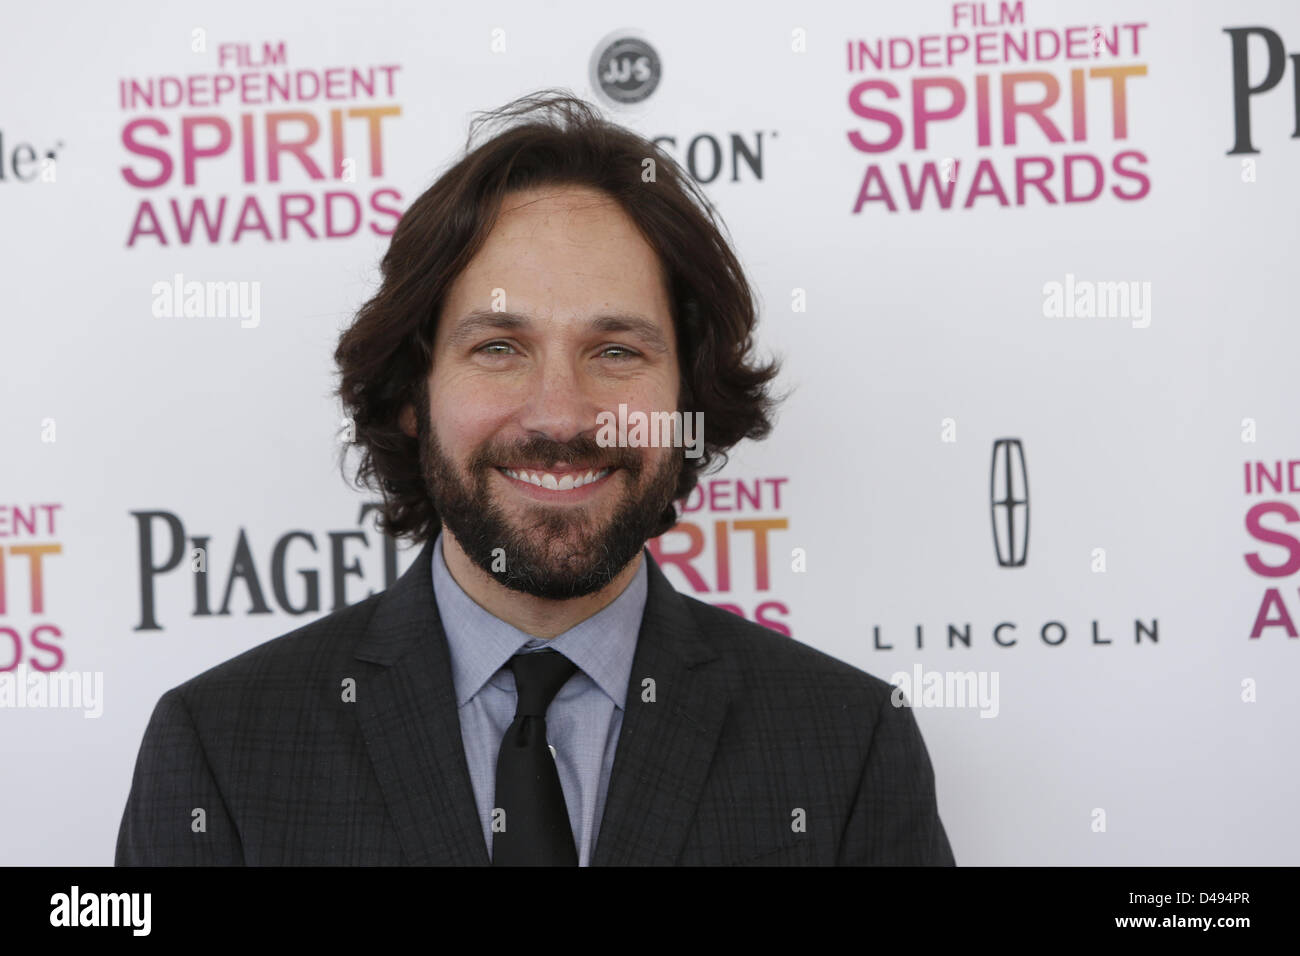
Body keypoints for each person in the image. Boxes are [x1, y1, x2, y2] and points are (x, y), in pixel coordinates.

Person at [115, 90, 955, 866]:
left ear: (685, 398)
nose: (560, 416)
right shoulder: (223, 748)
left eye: (616, 351)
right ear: (414, 393)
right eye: (499, 348)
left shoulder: (845, 746)